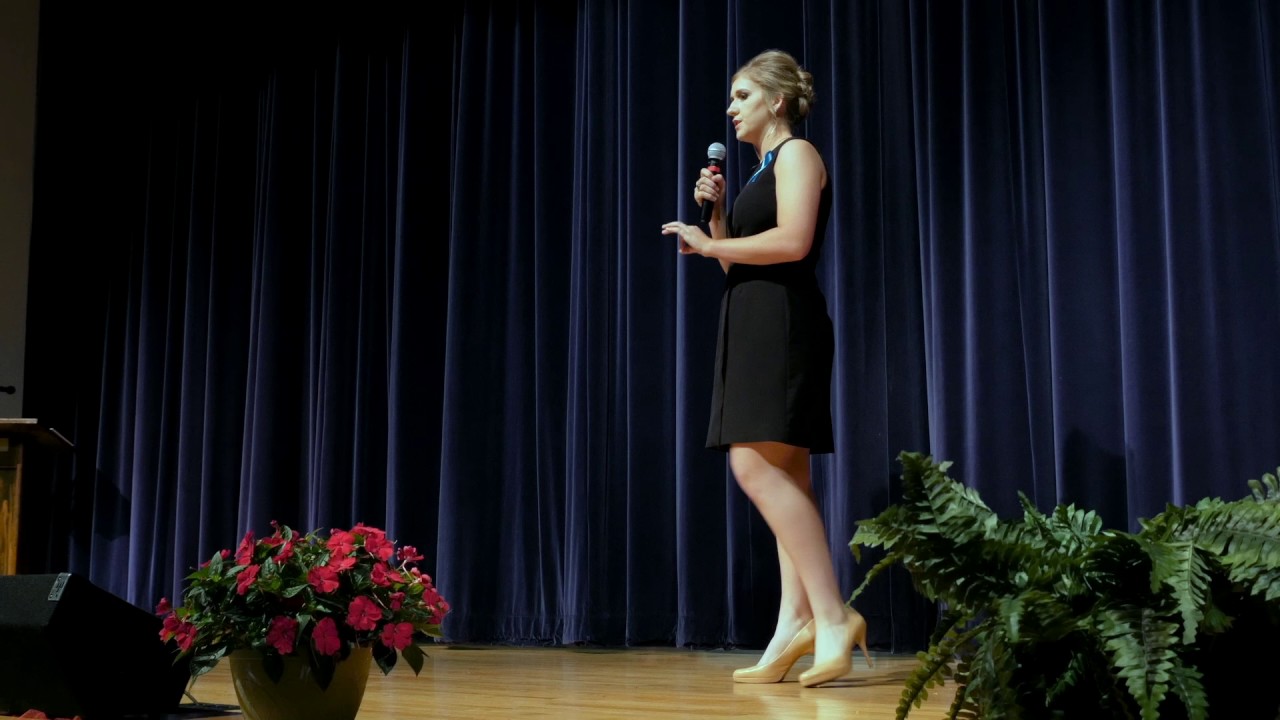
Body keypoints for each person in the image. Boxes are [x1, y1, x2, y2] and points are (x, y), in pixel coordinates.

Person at [661, 50, 870, 688]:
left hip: (784, 324)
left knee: (751, 464)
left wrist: (710, 241)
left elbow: (795, 242)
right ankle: (793, 626)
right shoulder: (759, 172)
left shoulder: (799, 155)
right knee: (786, 476)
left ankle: (834, 617)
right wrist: (719, 218)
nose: (731, 108)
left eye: (742, 95)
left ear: (776, 101)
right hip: (754, 319)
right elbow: (741, 265)